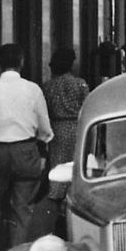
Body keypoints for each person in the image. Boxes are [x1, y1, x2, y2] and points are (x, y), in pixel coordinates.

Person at [0, 44, 53, 251]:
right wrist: (43, 150)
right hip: (25, 151)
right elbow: (45, 128)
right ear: (22, 62)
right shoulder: (33, 89)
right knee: (22, 207)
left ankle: (3, 250)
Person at [41, 48, 89, 236]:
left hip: (57, 130)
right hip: (77, 129)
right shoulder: (80, 84)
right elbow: (87, 106)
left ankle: (56, 220)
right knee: (75, 169)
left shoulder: (47, 86)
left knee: (58, 169)